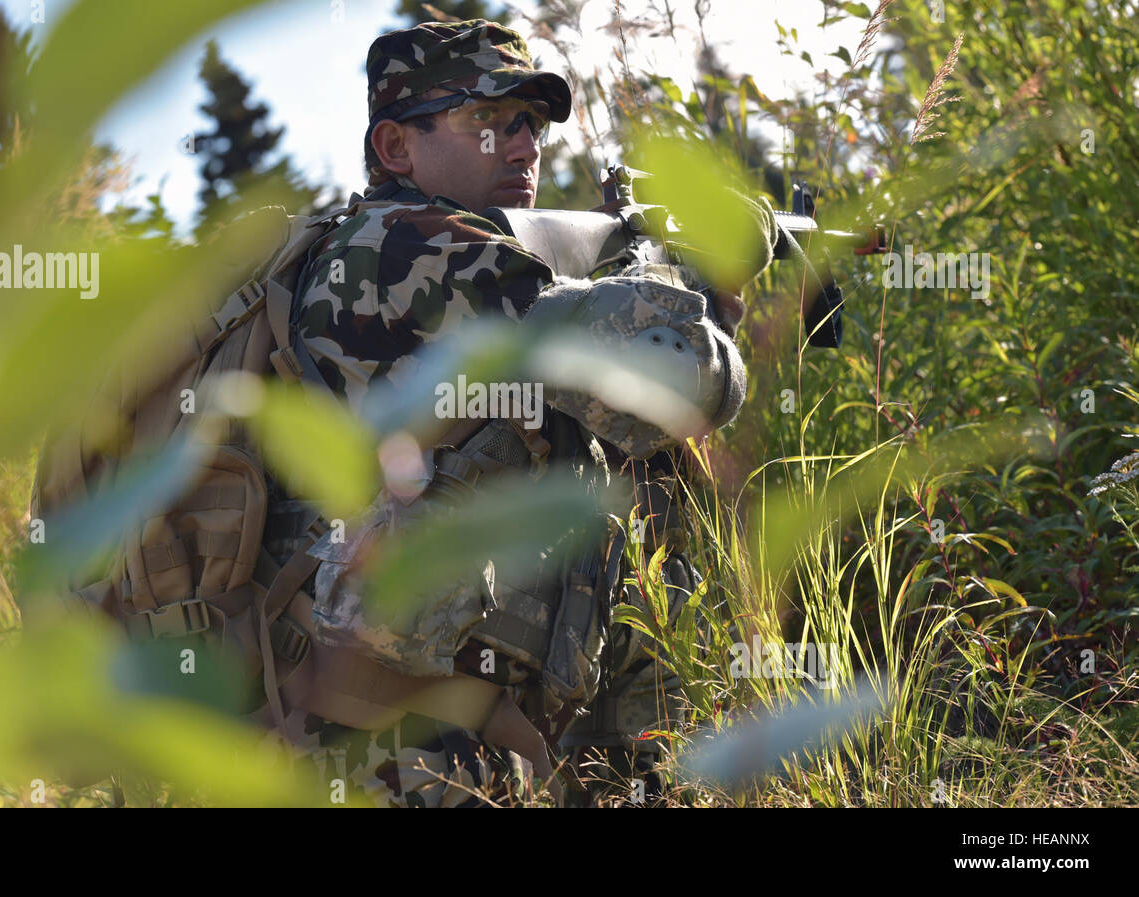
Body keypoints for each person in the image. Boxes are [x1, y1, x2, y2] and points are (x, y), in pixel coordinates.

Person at [249, 18, 777, 807]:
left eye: (529, 122)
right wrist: (703, 289)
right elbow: (675, 382)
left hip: (463, 729)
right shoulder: (403, 246)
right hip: (395, 749)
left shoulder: (456, 269)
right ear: (396, 148)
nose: (524, 145)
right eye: (485, 121)